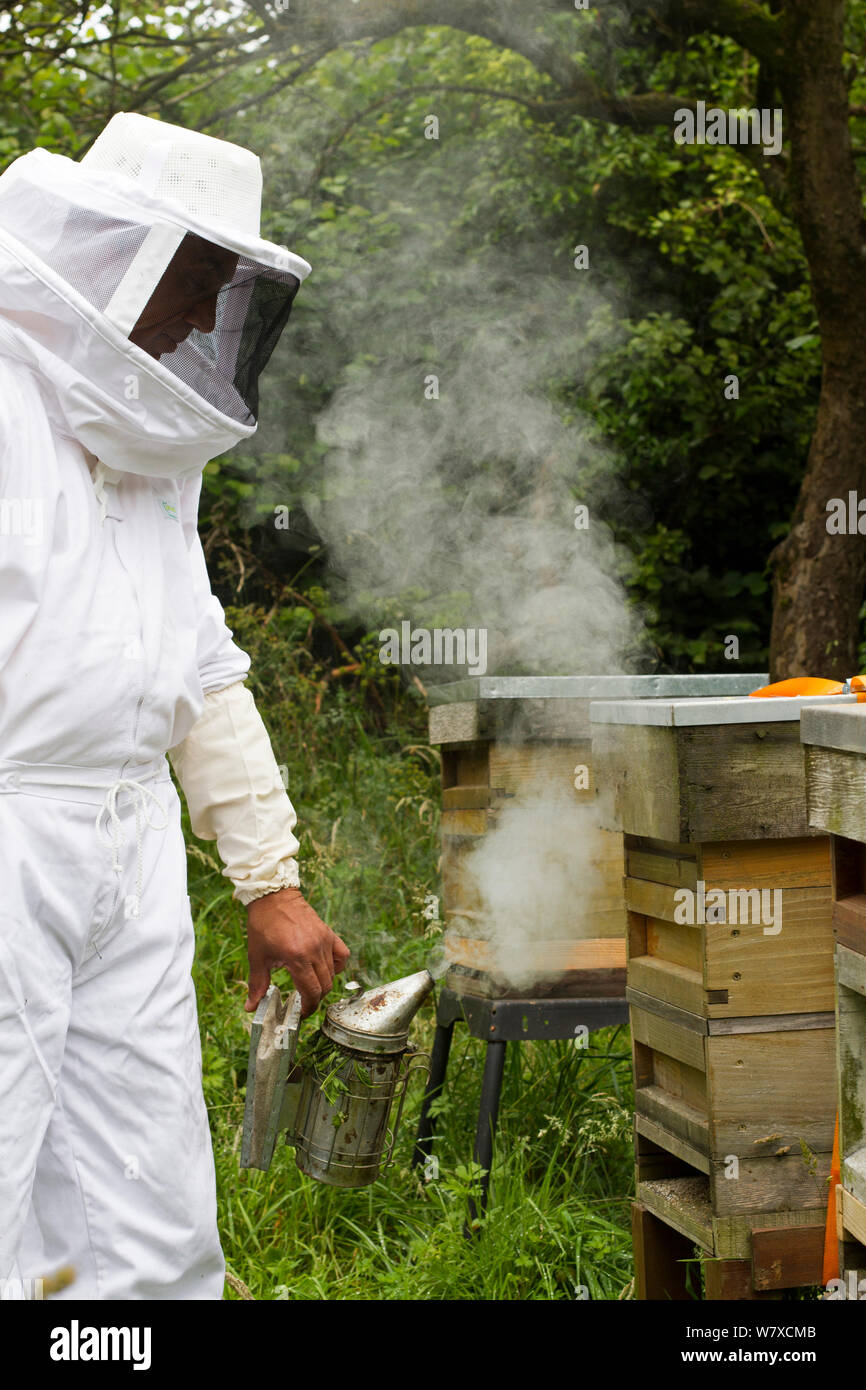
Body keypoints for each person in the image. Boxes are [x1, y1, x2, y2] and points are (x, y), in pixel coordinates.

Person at [0, 112, 350, 1300]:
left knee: (150, 1204)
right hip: (8, 835)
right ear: (113, 250)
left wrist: (271, 878)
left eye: (223, 284)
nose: (205, 314)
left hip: (130, 840)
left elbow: (198, 664)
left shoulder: (156, 443)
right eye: (194, 273)